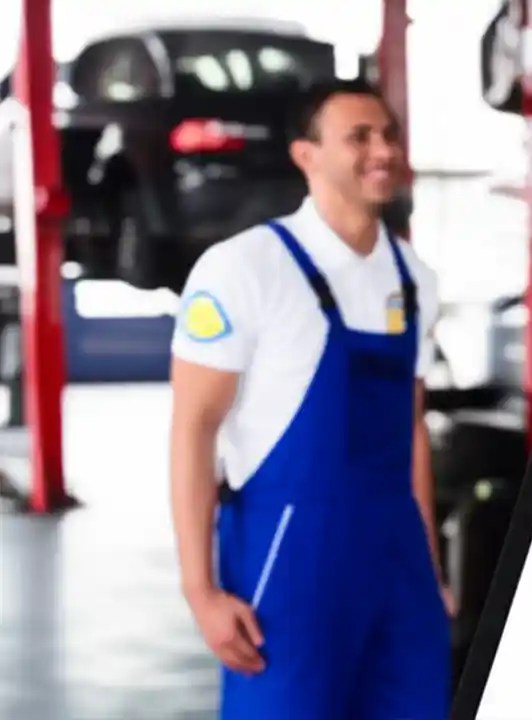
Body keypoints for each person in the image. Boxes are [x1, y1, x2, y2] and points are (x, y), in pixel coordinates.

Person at [168, 79, 452, 719]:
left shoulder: (414, 277)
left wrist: (429, 573)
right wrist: (200, 588)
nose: (382, 150)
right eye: (359, 137)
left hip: (396, 562)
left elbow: (410, 433)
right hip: (288, 559)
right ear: (307, 155)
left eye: (389, 135)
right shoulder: (244, 268)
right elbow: (194, 427)